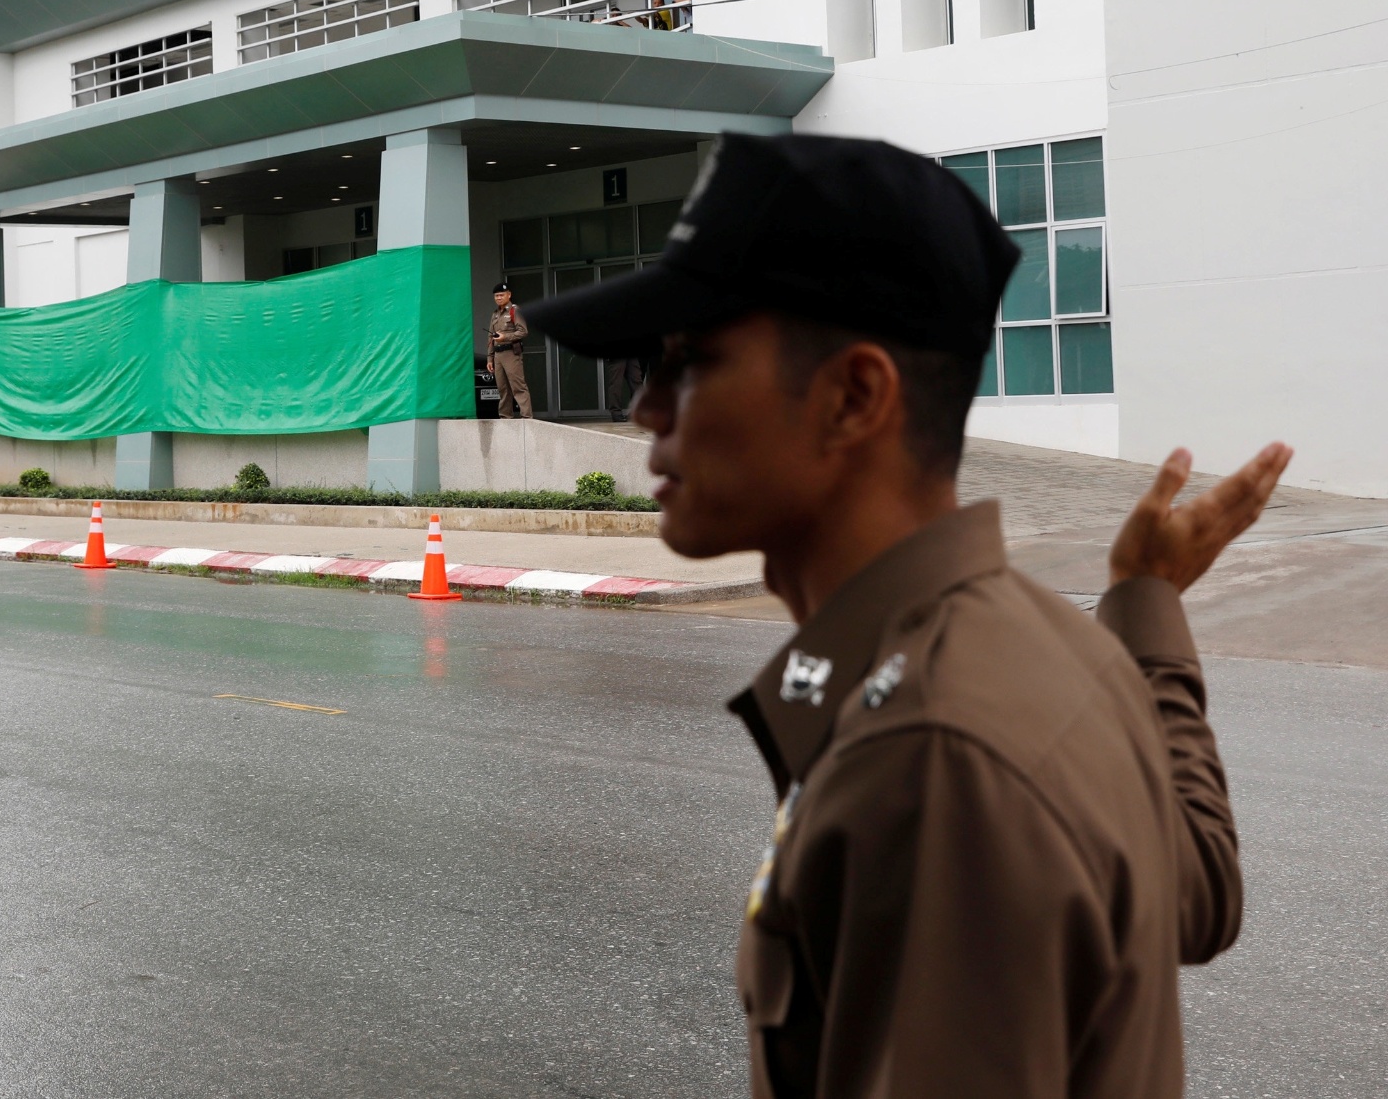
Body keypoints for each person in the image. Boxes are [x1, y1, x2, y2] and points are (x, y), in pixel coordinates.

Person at [524, 132, 1287, 1098]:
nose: (646, 409)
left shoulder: (930, 751)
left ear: (853, 397)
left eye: (687, 359)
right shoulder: (1051, 643)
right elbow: (1199, 892)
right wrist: (1145, 601)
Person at [486, 282, 533, 419]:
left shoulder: (514, 310)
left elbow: (523, 331)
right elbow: (490, 336)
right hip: (498, 355)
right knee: (502, 389)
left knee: (518, 386)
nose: (499, 298)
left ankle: (526, 418)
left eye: (501, 295)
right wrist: (490, 358)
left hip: (511, 353)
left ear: (509, 295)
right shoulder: (495, 314)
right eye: (496, 296)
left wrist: (505, 337)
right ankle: (505, 417)